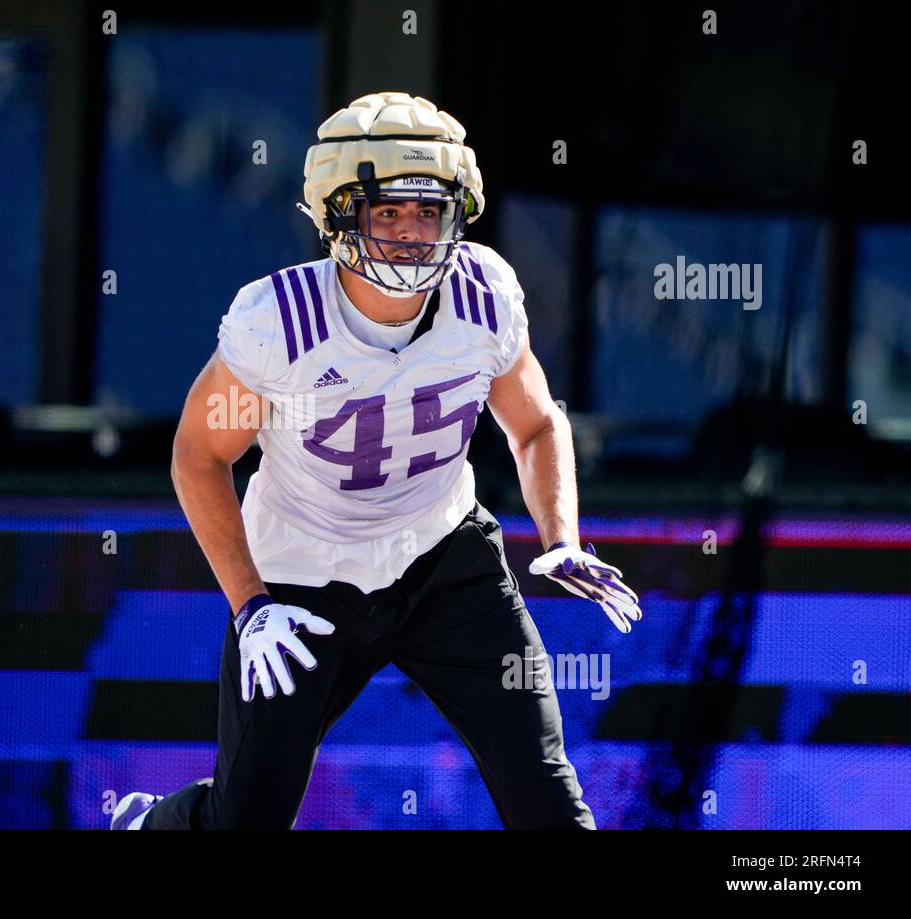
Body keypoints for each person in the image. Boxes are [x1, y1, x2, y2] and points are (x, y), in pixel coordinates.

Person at [111, 91, 641, 830]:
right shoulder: (278, 322)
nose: (411, 233)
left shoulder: (484, 294)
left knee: (549, 799)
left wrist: (560, 536)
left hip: (444, 561)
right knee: (244, 820)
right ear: (337, 215)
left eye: (429, 211)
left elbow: (535, 425)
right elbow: (199, 455)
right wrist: (249, 603)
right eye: (386, 211)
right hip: (304, 580)